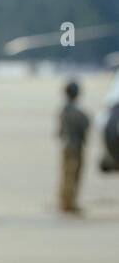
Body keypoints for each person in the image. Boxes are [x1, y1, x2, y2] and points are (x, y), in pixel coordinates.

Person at [58, 80, 89, 213]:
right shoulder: (76, 112)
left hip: (67, 146)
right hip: (75, 147)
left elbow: (59, 132)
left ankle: (65, 201)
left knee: (66, 175)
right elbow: (85, 124)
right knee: (72, 175)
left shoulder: (64, 111)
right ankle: (69, 203)